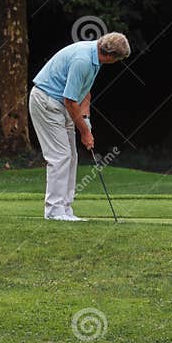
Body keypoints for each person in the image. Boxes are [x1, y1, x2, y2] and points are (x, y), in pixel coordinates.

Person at [29, 32, 130, 221]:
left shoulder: (94, 57)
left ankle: (65, 208)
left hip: (62, 104)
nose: (117, 62)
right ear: (110, 55)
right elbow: (70, 100)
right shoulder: (83, 60)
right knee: (60, 156)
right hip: (47, 101)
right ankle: (54, 211)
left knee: (71, 156)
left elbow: (84, 94)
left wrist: (87, 123)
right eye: (118, 59)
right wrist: (84, 132)